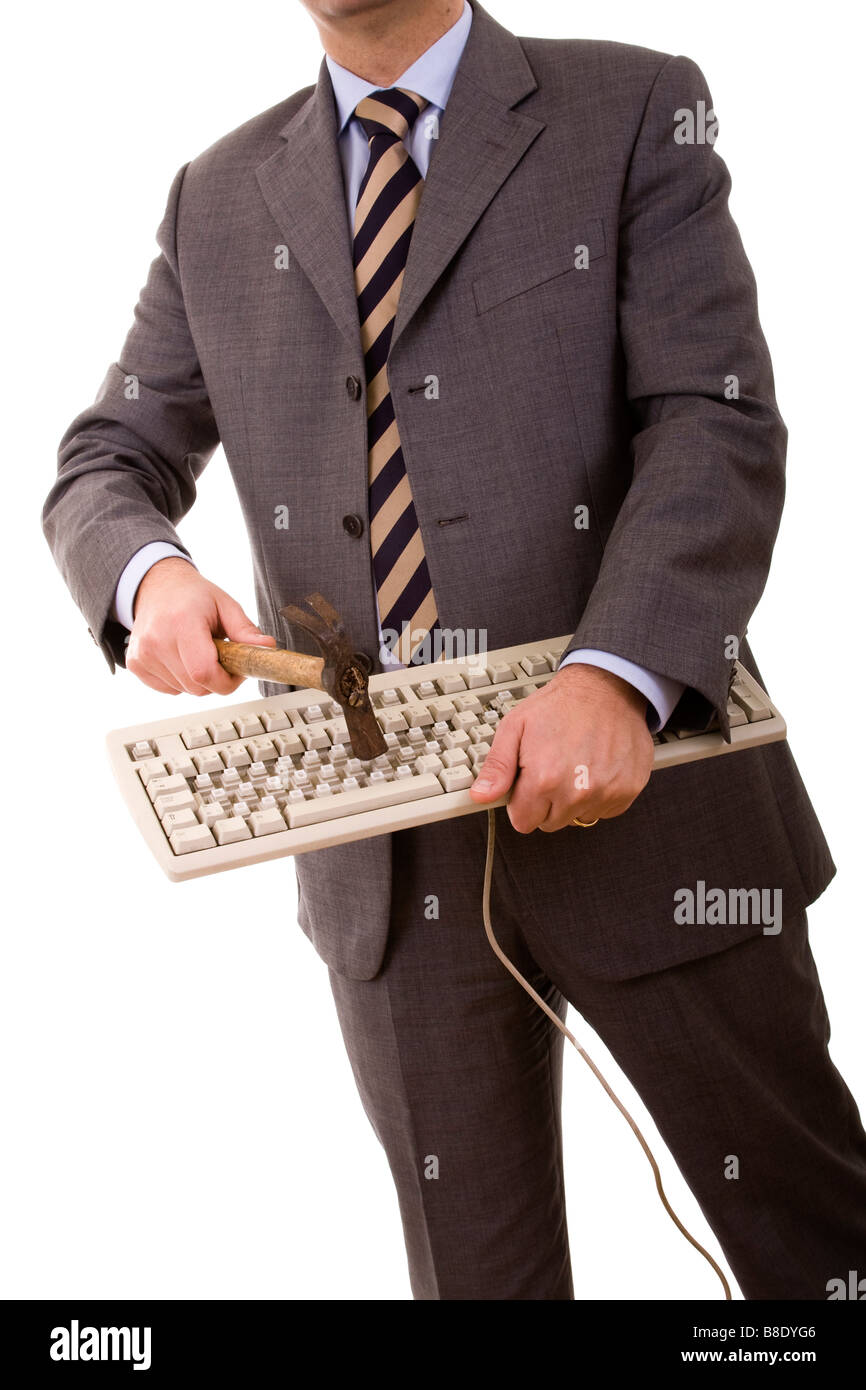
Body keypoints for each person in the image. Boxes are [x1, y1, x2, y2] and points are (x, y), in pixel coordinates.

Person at [43, 0, 866, 1299]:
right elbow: (107, 459)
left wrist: (616, 675)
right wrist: (150, 577)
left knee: (818, 1259)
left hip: (655, 813)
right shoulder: (213, 195)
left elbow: (715, 419)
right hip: (386, 878)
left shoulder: (634, 110)